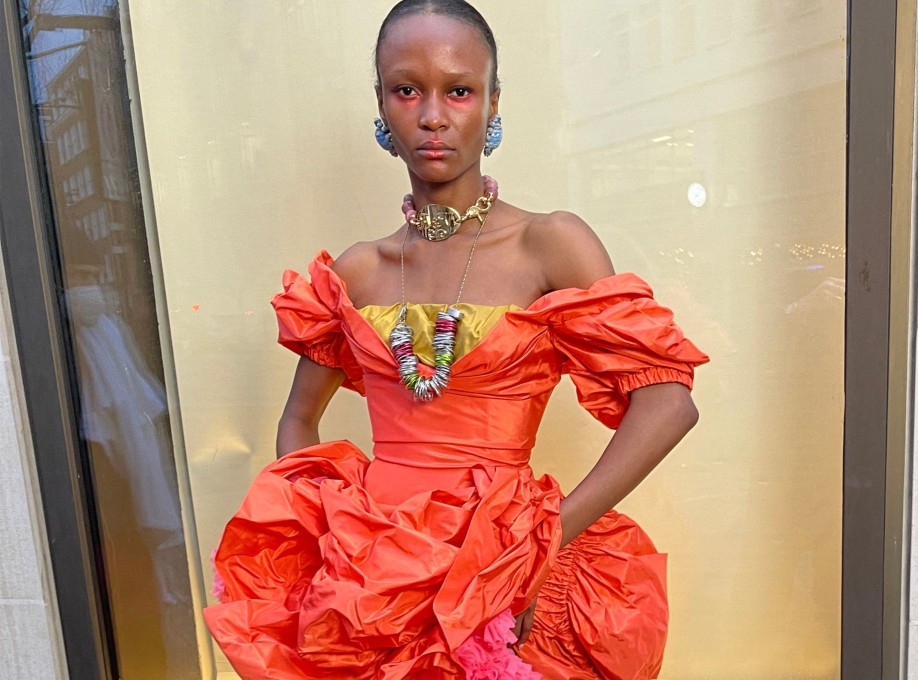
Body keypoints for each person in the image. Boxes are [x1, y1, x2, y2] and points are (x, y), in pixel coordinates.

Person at [204, 1, 709, 677]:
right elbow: (299, 418)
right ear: (381, 105)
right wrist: (329, 534)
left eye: (459, 90)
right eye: (406, 89)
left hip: (499, 565)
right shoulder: (357, 270)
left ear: (493, 103)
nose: (433, 116)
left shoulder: (549, 243)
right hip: (372, 582)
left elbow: (668, 401)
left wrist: (545, 542)